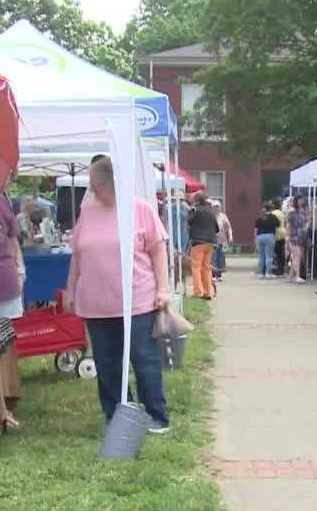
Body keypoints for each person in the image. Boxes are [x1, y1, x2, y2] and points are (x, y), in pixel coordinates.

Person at [62, 157, 171, 434]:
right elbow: (77, 255)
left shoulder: (140, 209)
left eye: (96, 185)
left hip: (137, 301)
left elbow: (158, 251)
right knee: (106, 363)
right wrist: (71, 289)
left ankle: (156, 415)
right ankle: (118, 413)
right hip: (96, 305)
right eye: (92, 185)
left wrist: (162, 289)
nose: (93, 190)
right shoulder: (87, 212)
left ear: (111, 183)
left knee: (143, 358)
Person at [188, 192, 218, 300]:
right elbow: (216, 228)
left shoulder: (195, 210)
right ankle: (207, 292)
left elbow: (189, 222)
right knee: (206, 267)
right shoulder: (211, 211)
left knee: (196, 267)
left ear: (196, 201)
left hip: (198, 241)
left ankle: (198, 292)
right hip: (210, 242)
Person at [286, 196, 309, 284]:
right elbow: (288, 224)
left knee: (298, 256)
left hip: (301, 236)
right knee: (297, 256)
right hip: (293, 236)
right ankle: (297, 276)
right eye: (299, 200)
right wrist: (287, 237)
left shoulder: (303, 212)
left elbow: (306, 222)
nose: (301, 202)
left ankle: (290, 276)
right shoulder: (292, 211)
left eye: (302, 200)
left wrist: (306, 226)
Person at [254, 204, 279, 278]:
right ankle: (268, 272)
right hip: (269, 236)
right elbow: (278, 224)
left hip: (259, 237)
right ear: (271, 209)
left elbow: (255, 230)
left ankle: (261, 273)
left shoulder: (258, 219)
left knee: (261, 256)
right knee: (269, 256)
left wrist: (255, 240)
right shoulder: (272, 217)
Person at [212, 200, 232, 282]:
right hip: (212, 241)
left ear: (220, 207)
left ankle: (219, 275)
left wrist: (230, 236)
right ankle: (213, 275)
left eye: (217, 207)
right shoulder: (210, 216)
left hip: (222, 241)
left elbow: (228, 228)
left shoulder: (223, 216)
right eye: (215, 207)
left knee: (221, 258)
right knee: (213, 258)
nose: (216, 208)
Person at [271, 199, 288, 276]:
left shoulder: (273, 213)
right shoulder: (282, 213)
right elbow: (285, 222)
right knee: (281, 253)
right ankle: (281, 269)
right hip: (283, 232)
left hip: (276, 233)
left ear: (274, 205)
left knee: (275, 252)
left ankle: (275, 269)